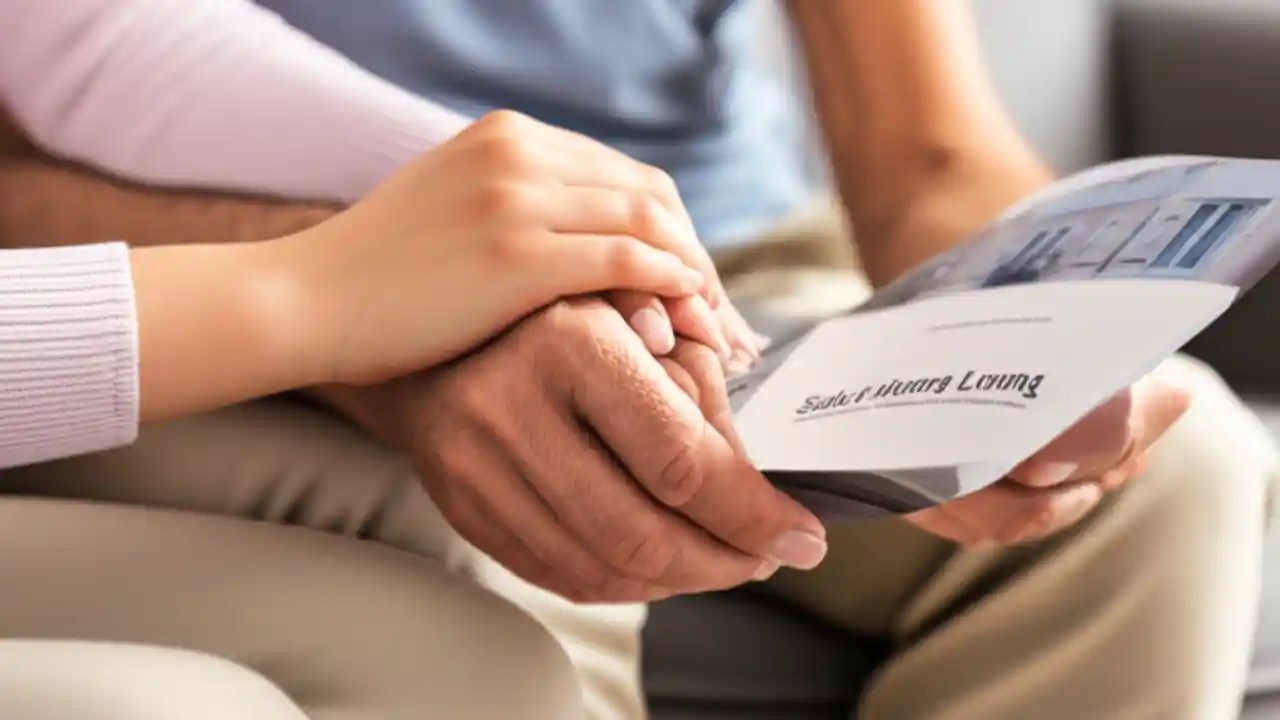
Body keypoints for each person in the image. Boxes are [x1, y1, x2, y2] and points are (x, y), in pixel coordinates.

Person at [0, 1, 1274, 719]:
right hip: (216, 245)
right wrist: (415, 296)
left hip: (702, 252)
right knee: (543, 512)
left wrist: (1036, 326)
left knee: (1181, 468)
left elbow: (929, 153)